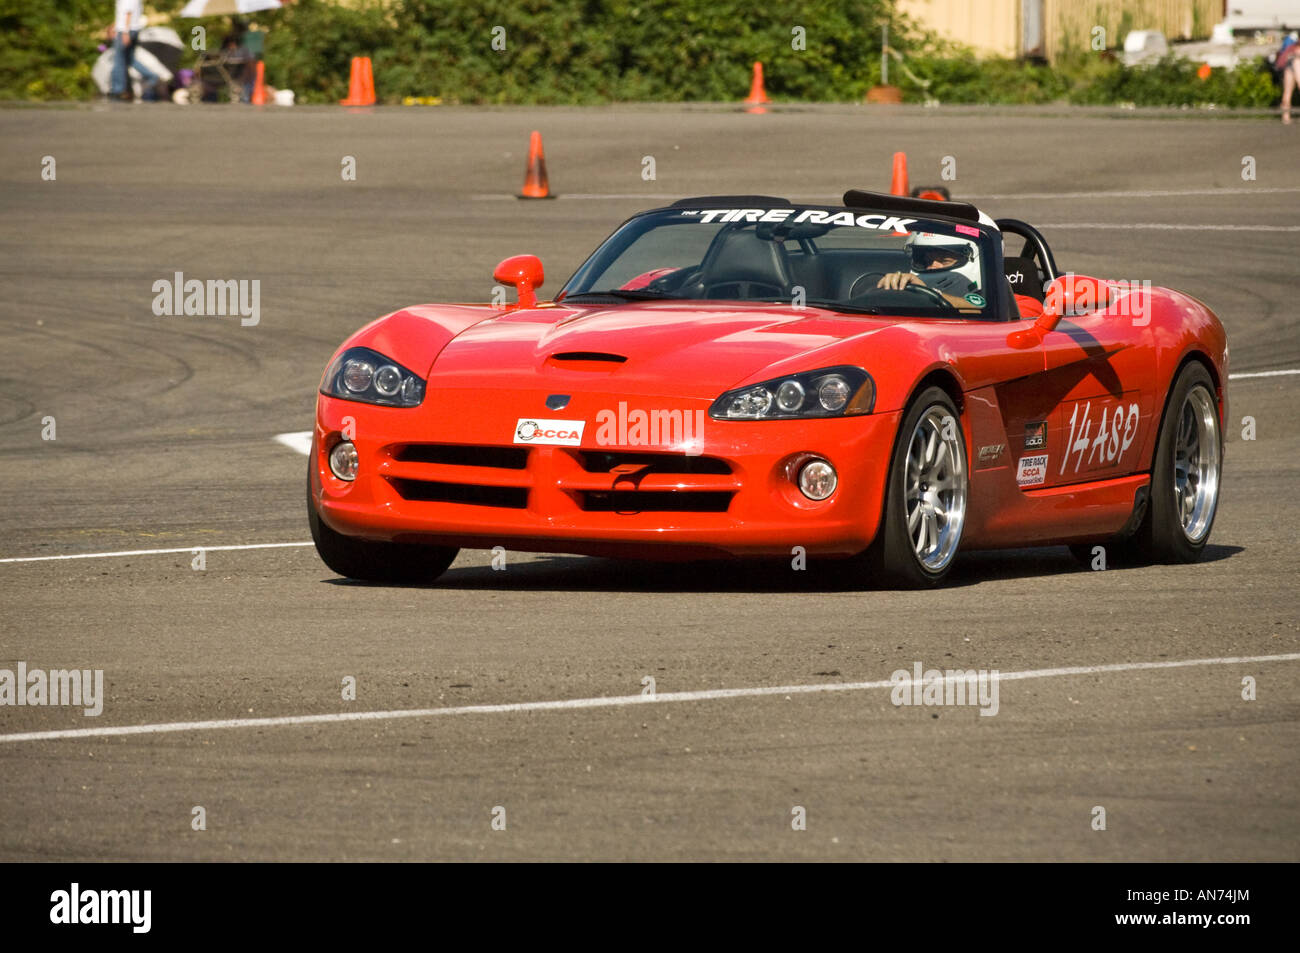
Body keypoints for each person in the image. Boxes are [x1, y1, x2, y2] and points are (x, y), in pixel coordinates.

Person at [875, 232, 984, 310]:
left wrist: (930, 294)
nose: (932, 266)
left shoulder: (996, 292)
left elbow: (981, 308)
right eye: (927, 261)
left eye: (945, 261)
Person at [109, 0, 159, 102]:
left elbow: (128, 12)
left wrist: (125, 32)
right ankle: (152, 76)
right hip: (131, 29)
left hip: (126, 30)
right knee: (129, 60)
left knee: (119, 60)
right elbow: (123, 13)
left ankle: (117, 90)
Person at [1277, 33, 1300, 125]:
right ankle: (1286, 117)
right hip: (1296, 62)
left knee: (1287, 92)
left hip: (1289, 64)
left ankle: (1285, 117)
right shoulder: (1296, 48)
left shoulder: (1292, 47)